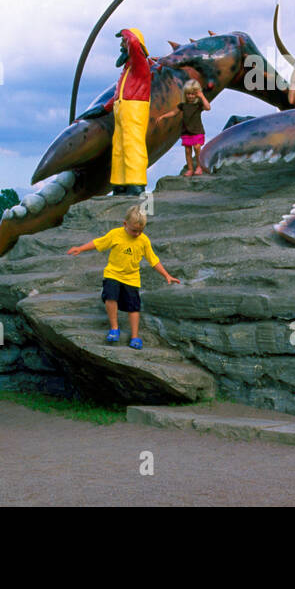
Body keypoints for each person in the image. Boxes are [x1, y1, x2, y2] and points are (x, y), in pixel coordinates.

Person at [66, 205, 179, 349]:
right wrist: (80, 248)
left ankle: (135, 336)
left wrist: (166, 275)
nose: (137, 234)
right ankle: (114, 328)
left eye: (140, 231)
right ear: (125, 224)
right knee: (110, 298)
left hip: (132, 278)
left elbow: (153, 260)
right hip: (113, 273)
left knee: (134, 307)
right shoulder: (115, 234)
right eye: (134, 230)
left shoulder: (144, 240)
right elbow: (99, 242)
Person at [104, 27, 151, 196]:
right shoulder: (128, 69)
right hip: (122, 108)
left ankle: (136, 183)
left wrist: (126, 33)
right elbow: (119, 93)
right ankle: (120, 182)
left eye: (124, 42)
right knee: (119, 146)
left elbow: (134, 43)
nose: (122, 45)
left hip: (134, 108)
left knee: (132, 144)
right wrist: (104, 108)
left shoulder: (140, 64)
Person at [157, 79, 211, 175]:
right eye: (188, 94)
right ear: (185, 94)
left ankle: (199, 166)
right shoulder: (183, 105)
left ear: (196, 94)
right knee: (187, 150)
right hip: (186, 131)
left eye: (193, 94)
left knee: (197, 148)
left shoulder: (198, 104)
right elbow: (174, 112)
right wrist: (163, 116)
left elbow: (208, 107)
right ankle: (190, 169)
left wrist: (202, 96)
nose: (190, 96)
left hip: (197, 130)